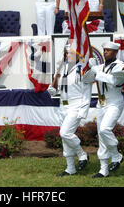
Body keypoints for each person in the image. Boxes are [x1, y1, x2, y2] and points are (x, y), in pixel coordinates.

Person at [83, 42, 124, 178]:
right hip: (101, 103)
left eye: (108, 50)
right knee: (101, 135)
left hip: (114, 103)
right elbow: (86, 79)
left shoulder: (121, 65)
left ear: (115, 52)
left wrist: (97, 71)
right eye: (104, 50)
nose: (105, 53)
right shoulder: (100, 67)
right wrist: (91, 69)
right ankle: (103, 169)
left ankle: (116, 155)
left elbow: (115, 81)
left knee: (105, 129)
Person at [47, 44, 91, 176]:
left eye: (71, 53)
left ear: (78, 55)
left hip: (76, 106)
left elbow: (86, 92)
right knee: (65, 140)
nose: (68, 55)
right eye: (66, 53)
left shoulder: (82, 70)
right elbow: (54, 91)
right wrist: (53, 84)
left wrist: (83, 110)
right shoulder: (62, 68)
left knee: (65, 133)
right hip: (63, 106)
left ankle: (82, 154)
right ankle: (70, 168)